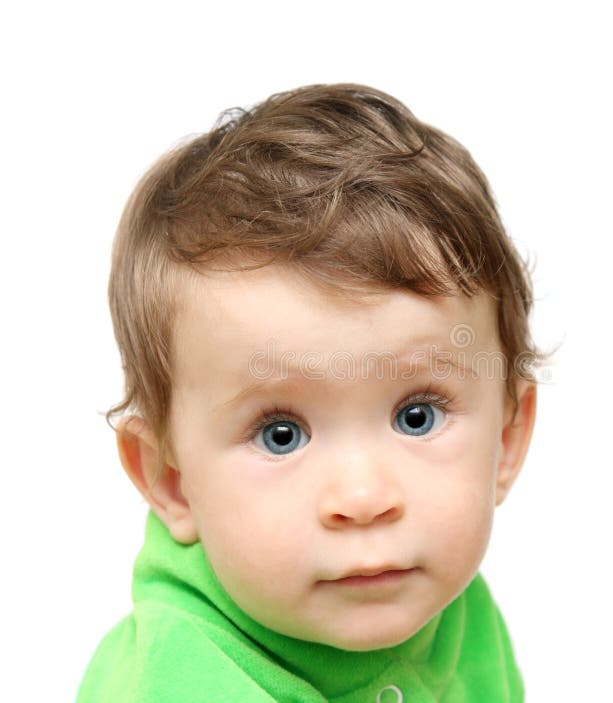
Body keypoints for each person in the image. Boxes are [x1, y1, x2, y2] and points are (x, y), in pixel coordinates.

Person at [77, 82, 552, 702]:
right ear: (171, 478)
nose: (363, 498)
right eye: (282, 435)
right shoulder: (186, 681)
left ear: (507, 438)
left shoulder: (445, 600)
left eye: (416, 417)